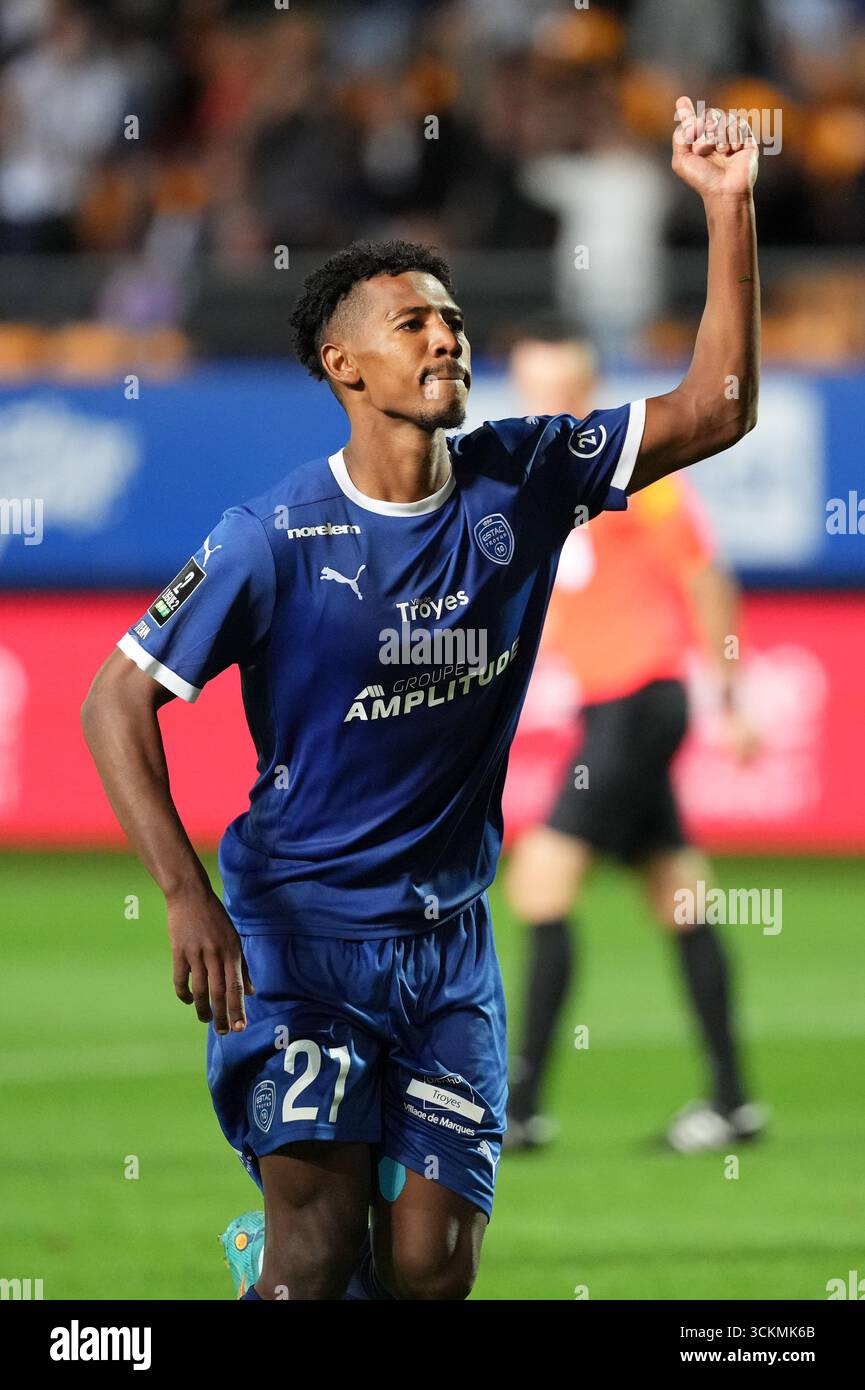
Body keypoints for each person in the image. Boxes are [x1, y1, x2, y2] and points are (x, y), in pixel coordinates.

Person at [81, 97, 760, 1300]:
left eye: (450, 320)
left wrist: (726, 207)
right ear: (343, 364)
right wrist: (186, 896)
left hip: (447, 947)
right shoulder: (270, 538)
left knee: (431, 1276)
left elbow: (719, 406)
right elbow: (113, 701)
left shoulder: (527, 477)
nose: (445, 339)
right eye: (413, 325)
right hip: (297, 942)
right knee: (314, 1250)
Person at [502, 328, 766, 1154]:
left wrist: (728, 690)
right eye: (531, 386)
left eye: (560, 387)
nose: (546, 403)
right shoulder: (536, 476)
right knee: (679, 894)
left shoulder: (632, 471)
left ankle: (521, 1107)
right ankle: (731, 1105)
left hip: (637, 702)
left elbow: (703, 573)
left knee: (539, 886)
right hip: (614, 706)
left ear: (589, 387)